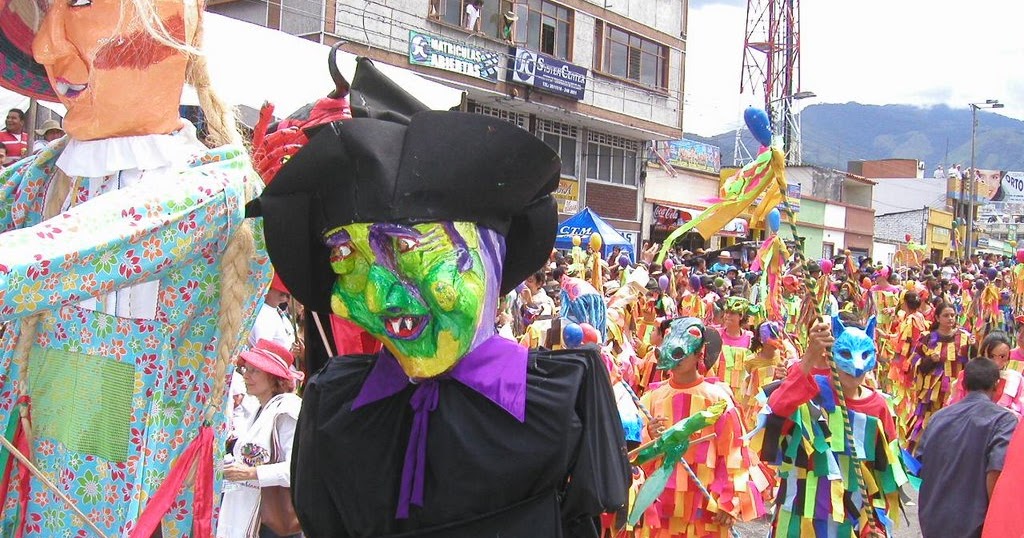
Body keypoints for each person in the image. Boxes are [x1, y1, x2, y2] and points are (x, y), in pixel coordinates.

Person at [249, 68, 630, 536]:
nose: (377, 295)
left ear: (491, 257)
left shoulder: (559, 399)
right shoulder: (334, 406)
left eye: (408, 249)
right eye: (347, 258)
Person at [0, 0, 268, 533]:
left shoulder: (214, 194)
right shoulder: (32, 183)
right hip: (26, 502)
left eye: (78, 3)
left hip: (145, 512)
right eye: (42, 12)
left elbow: (90, 247)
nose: (45, 44)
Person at [754, 317, 908, 537]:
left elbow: (884, 474)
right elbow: (774, 419)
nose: (855, 368)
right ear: (831, 354)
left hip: (851, 520)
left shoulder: (879, 406)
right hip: (800, 515)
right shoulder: (809, 391)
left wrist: (876, 525)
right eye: (845, 354)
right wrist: (808, 359)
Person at [637, 317, 772, 537]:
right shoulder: (651, 399)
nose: (674, 358)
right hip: (661, 509)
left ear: (699, 354)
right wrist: (648, 436)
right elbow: (636, 457)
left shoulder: (717, 400)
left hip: (706, 508)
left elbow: (735, 453)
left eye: (680, 352)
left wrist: (730, 499)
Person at [916, 357, 1018, 538]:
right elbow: (995, 472)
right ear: (997, 385)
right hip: (974, 524)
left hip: (932, 519)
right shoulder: (1004, 420)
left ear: (963, 382)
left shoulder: (938, 417)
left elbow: (920, 464)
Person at [219, 339, 304, 538]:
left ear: (275, 378)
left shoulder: (287, 409)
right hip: (252, 513)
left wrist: (250, 473)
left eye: (255, 371)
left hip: (272, 519)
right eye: (246, 370)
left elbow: (296, 468)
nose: (246, 376)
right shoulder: (258, 409)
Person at [904, 302, 973, 450]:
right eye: (946, 315)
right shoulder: (927, 338)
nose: (950, 319)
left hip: (955, 392)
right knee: (927, 423)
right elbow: (914, 364)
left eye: (953, 315)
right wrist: (929, 360)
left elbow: (971, 362)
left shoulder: (965, 338)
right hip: (931, 395)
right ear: (937, 317)